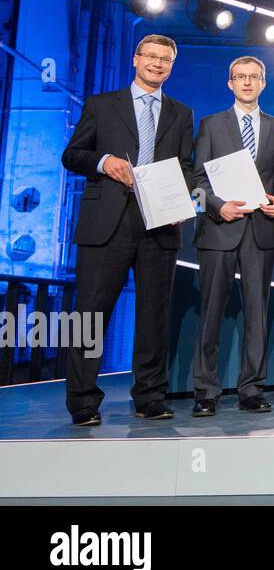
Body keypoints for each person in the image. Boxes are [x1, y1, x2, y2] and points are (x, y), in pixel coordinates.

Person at [60, 34, 195, 426]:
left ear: (171, 65)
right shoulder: (102, 105)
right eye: (150, 56)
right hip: (108, 224)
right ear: (136, 59)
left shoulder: (182, 113)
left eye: (165, 59)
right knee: (90, 314)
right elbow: (72, 154)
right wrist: (103, 162)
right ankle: (83, 402)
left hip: (160, 224)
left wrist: (182, 201)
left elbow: (186, 166)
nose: (157, 64)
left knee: (153, 315)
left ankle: (150, 397)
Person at [191, 56, 274, 416]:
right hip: (220, 230)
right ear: (229, 83)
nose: (247, 82)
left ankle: (252, 388)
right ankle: (206, 390)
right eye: (240, 77)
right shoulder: (211, 125)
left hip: (260, 232)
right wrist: (218, 206)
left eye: (254, 77)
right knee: (211, 312)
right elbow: (197, 182)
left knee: (257, 314)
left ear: (263, 83)